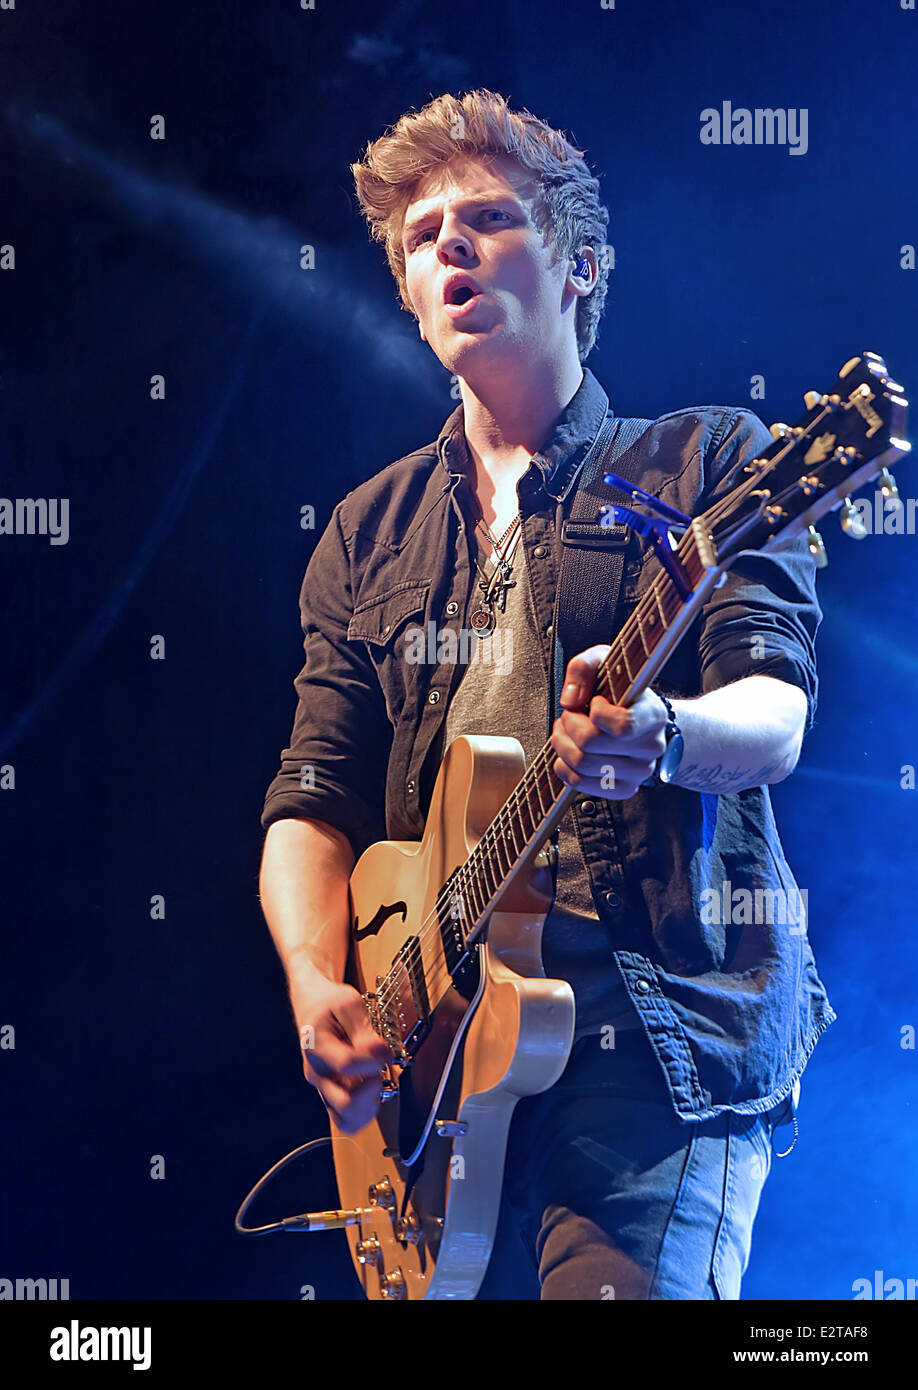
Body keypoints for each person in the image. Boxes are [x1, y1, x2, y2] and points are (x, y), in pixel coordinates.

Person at [258, 89, 835, 1300]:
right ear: (411, 301)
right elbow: (310, 800)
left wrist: (664, 732)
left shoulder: (707, 461)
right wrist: (322, 987)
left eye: (487, 218)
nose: (449, 246)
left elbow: (773, 716)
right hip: (434, 1056)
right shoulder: (366, 534)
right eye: (423, 239)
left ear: (578, 266)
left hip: (647, 1028)